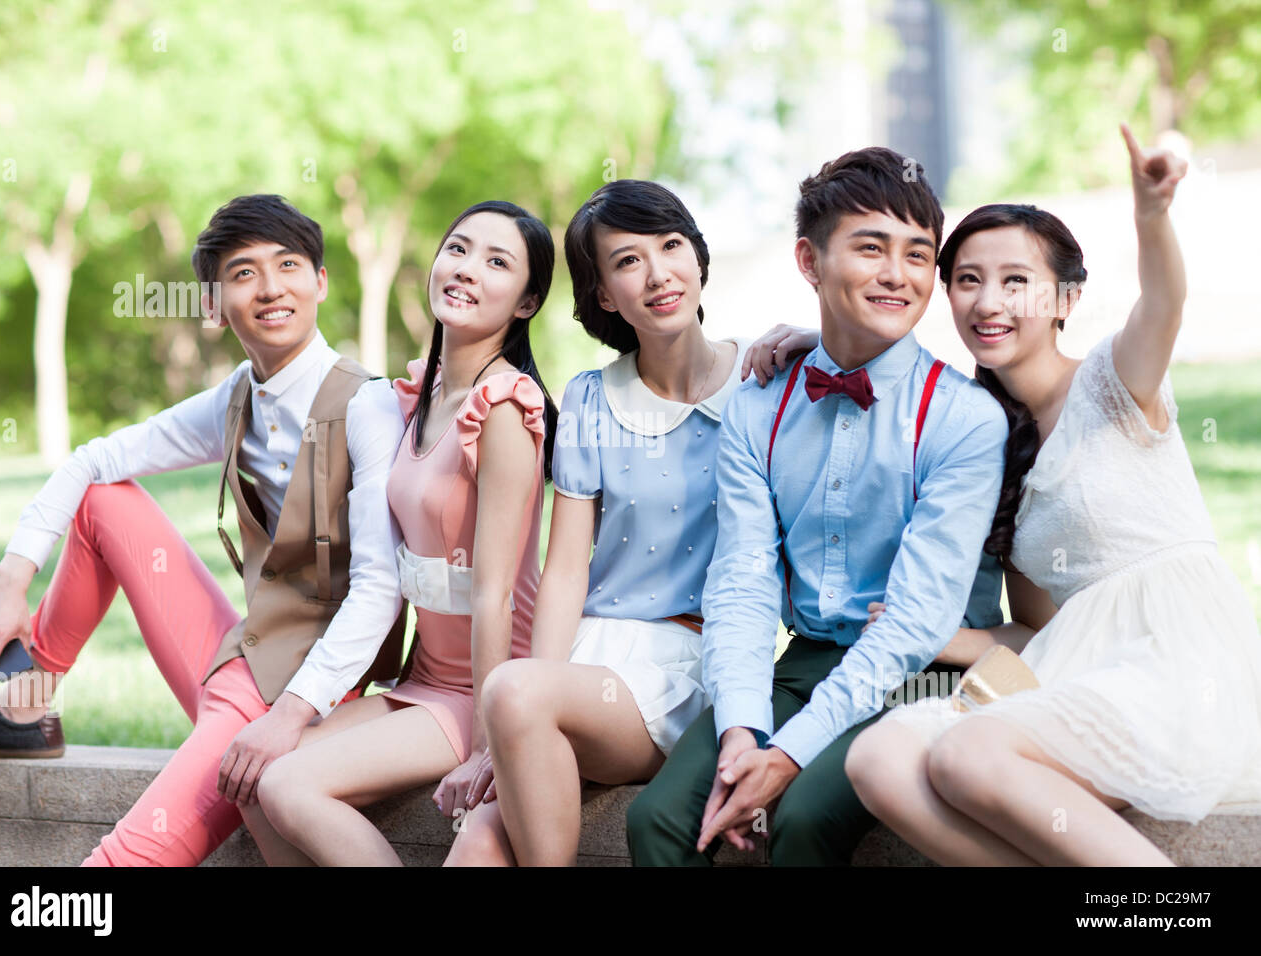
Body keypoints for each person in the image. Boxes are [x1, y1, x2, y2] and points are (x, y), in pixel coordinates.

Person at [845, 125, 1261, 865]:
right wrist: (944, 642)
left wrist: (1152, 212)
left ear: (1065, 297)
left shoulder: (1114, 381)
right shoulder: (999, 450)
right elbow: (1038, 638)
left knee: (969, 753)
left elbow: (1164, 304)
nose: (988, 300)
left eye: (1016, 280)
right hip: (1073, 669)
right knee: (879, 761)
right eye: (967, 279)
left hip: (1176, 663)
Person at [0, 195, 408, 866]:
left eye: (288, 265)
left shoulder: (367, 406)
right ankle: (27, 705)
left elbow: (381, 590)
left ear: (319, 281)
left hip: (302, 691)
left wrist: (285, 718)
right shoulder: (238, 397)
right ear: (212, 302)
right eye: (243, 272)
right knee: (103, 498)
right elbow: (92, 461)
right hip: (240, 658)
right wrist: (9, 579)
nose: (270, 287)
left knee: (122, 862)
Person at [625, 148, 1009, 866]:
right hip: (800, 666)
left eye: (918, 255)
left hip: (922, 675)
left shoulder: (964, 420)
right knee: (657, 820)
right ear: (810, 260)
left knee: (802, 822)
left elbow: (917, 626)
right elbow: (741, 585)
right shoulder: (756, 406)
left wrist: (789, 755)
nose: (898, 274)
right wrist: (742, 728)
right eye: (871, 248)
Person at [443, 180, 749, 866]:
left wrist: (520, 699)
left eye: (671, 247)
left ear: (698, 259)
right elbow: (565, 570)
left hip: (685, 668)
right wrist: (524, 708)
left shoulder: (762, 381)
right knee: (478, 842)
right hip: (579, 666)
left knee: (512, 693)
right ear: (605, 293)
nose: (658, 273)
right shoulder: (589, 397)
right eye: (627, 260)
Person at [250, 200, 556, 865]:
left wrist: (488, 747)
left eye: (497, 262)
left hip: (485, 690)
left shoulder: (504, 407)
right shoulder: (420, 395)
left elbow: (494, 593)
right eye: (459, 248)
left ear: (527, 302)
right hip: (424, 680)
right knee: (253, 774)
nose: (469, 269)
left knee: (287, 781)